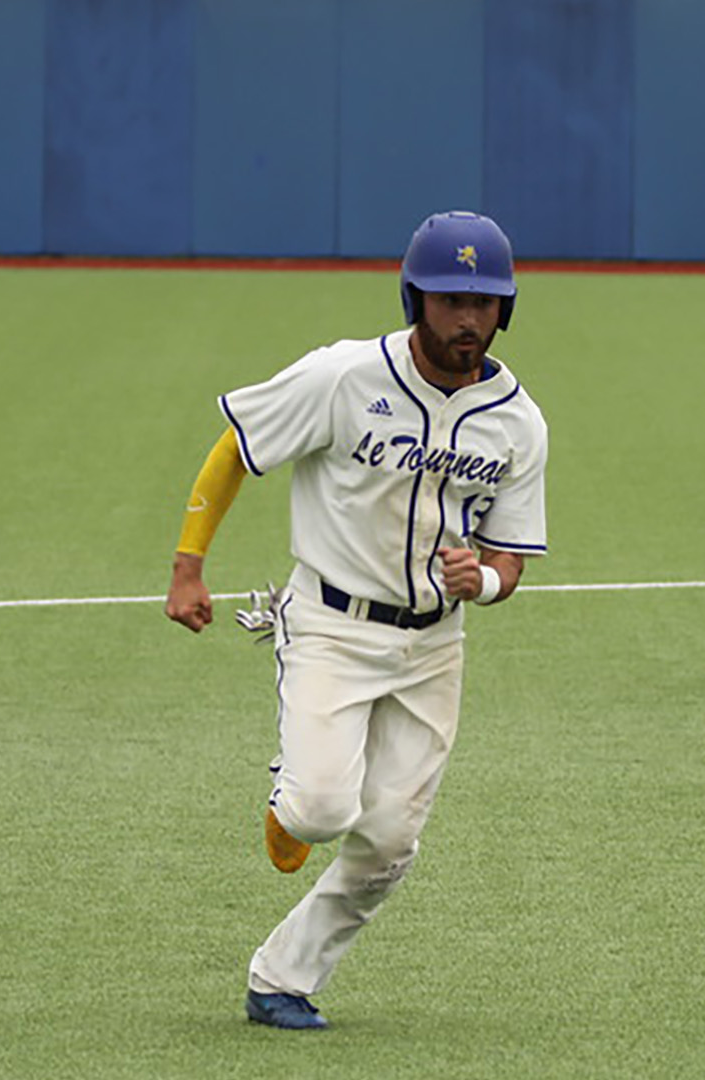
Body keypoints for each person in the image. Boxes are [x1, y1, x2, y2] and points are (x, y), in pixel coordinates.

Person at [163, 210, 549, 1030]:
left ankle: (283, 979)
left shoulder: (518, 422)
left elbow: (512, 560)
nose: (468, 318)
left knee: (387, 845)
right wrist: (188, 566)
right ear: (416, 299)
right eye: (451, 300)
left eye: (484, 302)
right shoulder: (344, 377)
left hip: (434, 646)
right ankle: (290, 799)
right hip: (332, 625)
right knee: (319, 811)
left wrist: (479, 580)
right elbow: (239, 446)